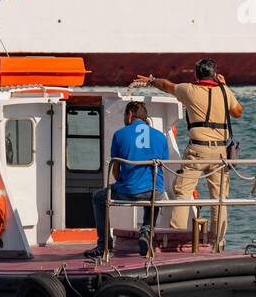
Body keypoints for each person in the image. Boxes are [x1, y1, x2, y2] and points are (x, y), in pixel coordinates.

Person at [135, 58, 243, 243]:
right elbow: (238, 112)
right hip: (220, 152)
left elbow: (167, 86)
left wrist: (151, 80)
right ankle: (217, 240)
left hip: (197, 150)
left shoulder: (189, 90)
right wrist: (225, 86)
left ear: (196, 74)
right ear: (215, 74)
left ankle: (176, 235)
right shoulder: (224, 91)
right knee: (219, 197)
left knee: (183, 191)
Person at [86, 102, 169, 259]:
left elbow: (116, 171)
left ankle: (104, 244)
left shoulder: (120, 134)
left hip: (129, 191)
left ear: (130, 115)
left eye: (125, 116)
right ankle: (146, 231)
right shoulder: (160, 137)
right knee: (155, 191)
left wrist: (124, 181)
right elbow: (162, 169)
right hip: (154, 192)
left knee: (98, 197)